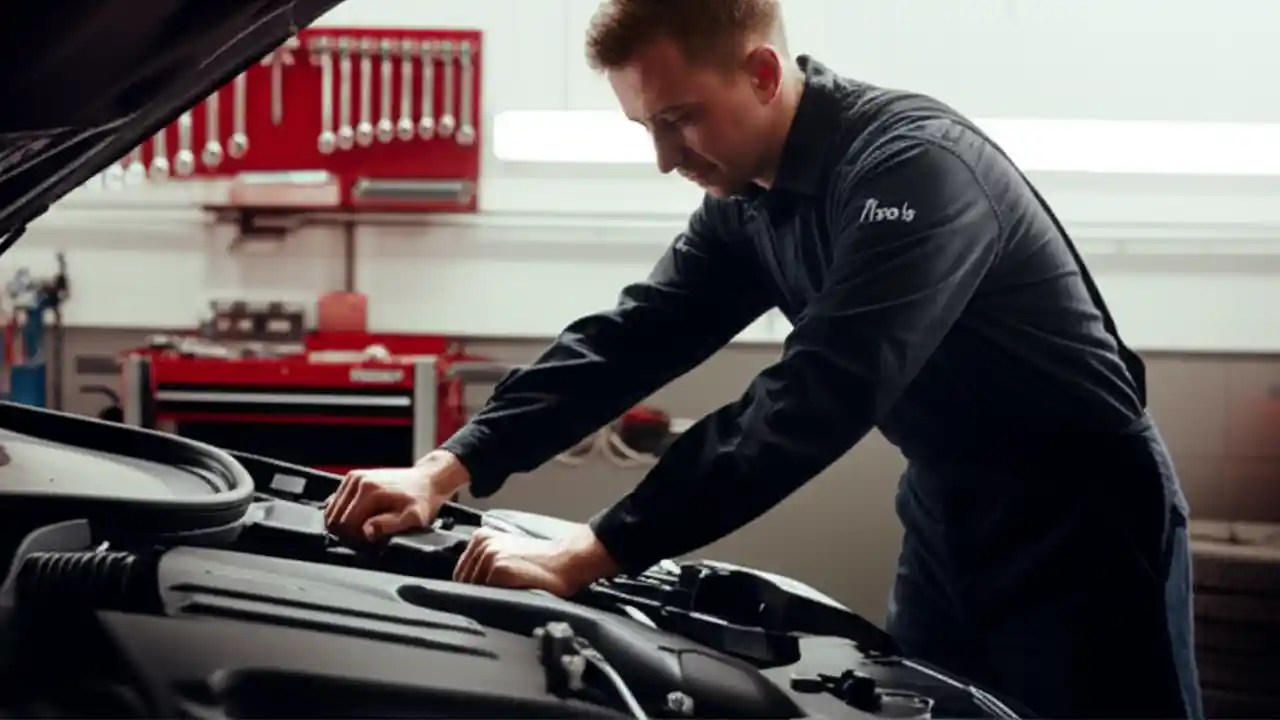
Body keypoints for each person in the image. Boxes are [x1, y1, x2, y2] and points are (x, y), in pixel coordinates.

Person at [323, 1, 1204, 717]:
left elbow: (817, 393)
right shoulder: (747, 198)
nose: (666, 158)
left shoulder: (915, 172)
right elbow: (634, 336)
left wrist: (591, 551)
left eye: (678, 120)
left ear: (761, 73)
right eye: (646, 127)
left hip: (1086, 521)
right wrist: (446, 467)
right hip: (947, 512)